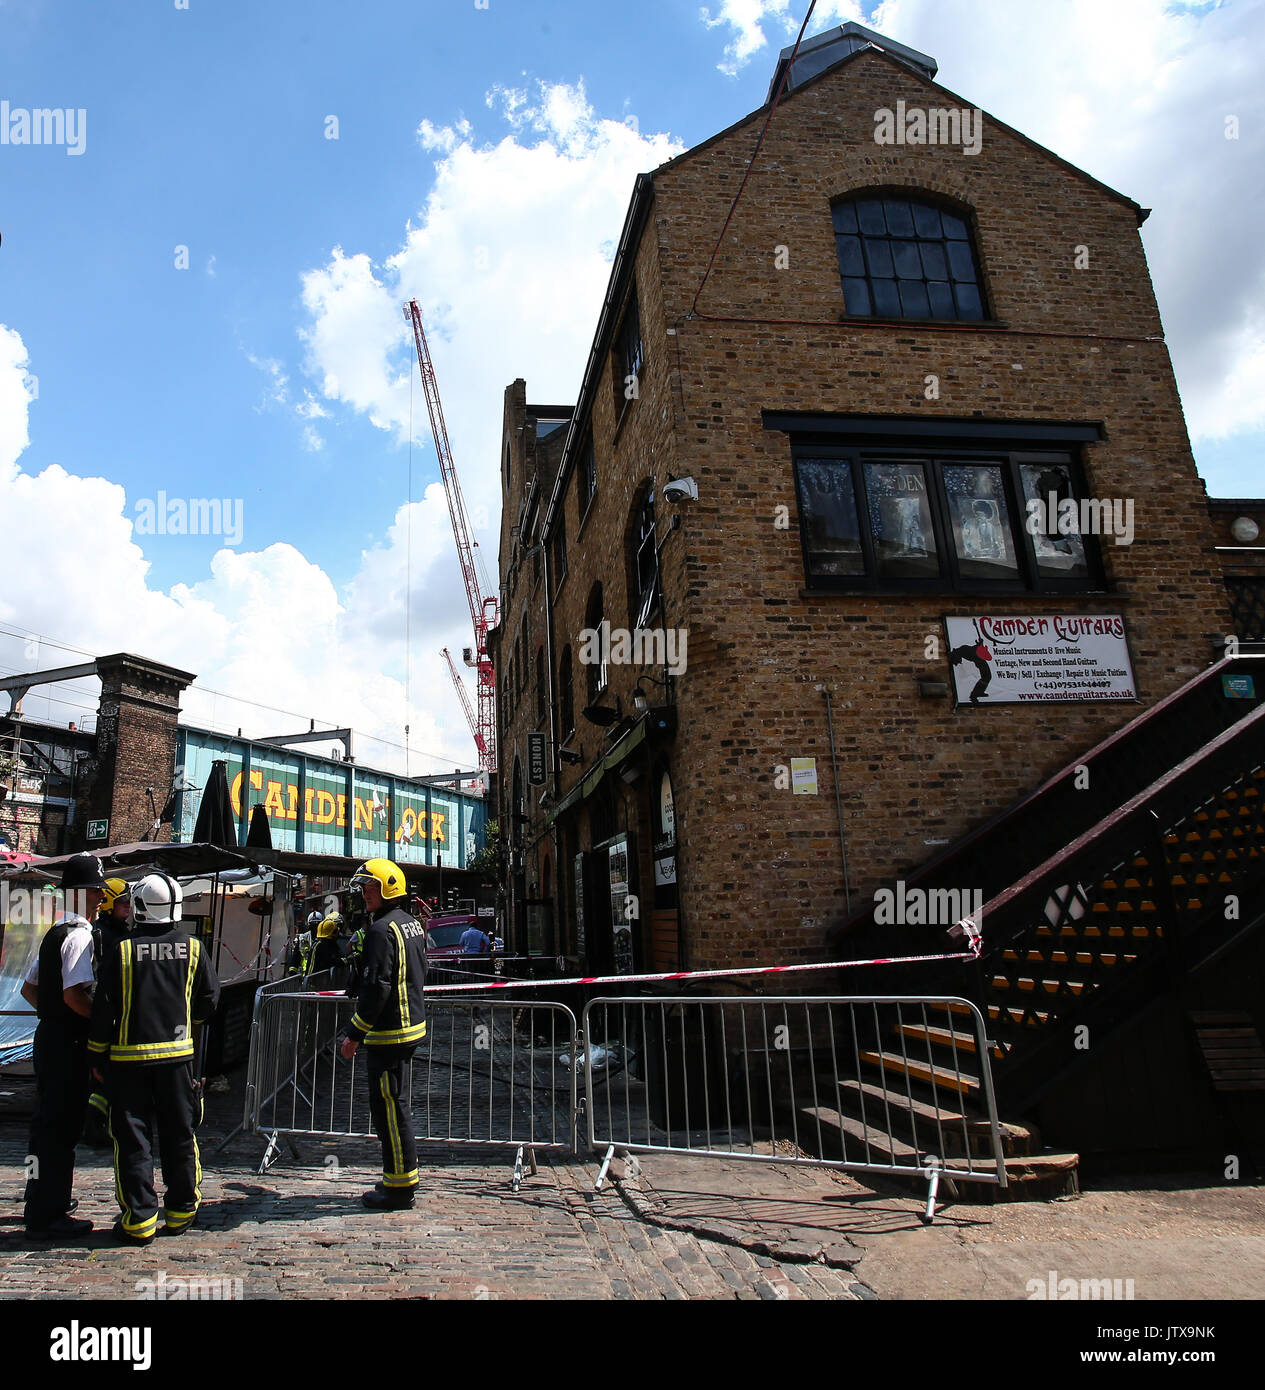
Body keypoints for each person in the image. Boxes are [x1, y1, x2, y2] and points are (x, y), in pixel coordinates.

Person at [87, 872, 220, 1245]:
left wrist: (96, 1054)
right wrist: (182, 1021)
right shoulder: (194, 947)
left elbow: (104, 1008)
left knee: (132, 1140)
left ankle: (139, 1219)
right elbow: (209, 1001)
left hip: (129, 1062)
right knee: (180, 1135)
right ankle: (180, 1212)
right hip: (178, 1060)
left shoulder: (122, 950)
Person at [21, 853, 105, 1238]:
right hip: (68, 1041)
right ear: (83, 893)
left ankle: (37, 1195)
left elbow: (29, 989)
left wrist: (52, 1016)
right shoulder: (80, 934)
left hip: (48, 1036)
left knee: (43, 1127)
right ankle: (49, 1212)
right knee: (62, 1129)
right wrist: (101, 1023)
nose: (101, 898)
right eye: (98, 891)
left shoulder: (54, 932)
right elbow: (76, 996)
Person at [337, 858, 427, 1211]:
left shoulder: (380, 930)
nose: (364, 894)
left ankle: (399, 1187)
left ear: (388, 887)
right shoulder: (411, 925)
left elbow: (379, 986)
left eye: (369, 887)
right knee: (397, 1105)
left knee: (389, 1109)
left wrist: (353, 1034)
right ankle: (400, 1175)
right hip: (410, 1027)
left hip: (390, 1033)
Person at [83, 879, 132, 1148]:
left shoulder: (122, 931)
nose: (128, 907)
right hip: (103, 1007)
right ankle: (93, 1125)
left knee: (107, 1076)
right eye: (123, 902)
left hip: (115, 1009)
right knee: (99, 1074)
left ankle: (102, 1121)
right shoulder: (100, 933)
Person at [310, 911, 347, 977]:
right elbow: (331, 961)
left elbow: (336, 958)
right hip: (318, 983)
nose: (338, 930)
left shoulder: (333, 944)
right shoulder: (319, 945)